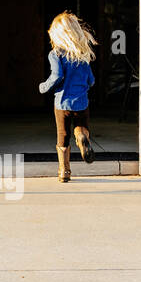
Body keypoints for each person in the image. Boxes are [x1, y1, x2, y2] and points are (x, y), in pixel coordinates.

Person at [38, 11, 96, 182]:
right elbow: (91, 80)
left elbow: (56, 76)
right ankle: (81, 137)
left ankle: (64, 171)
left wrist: (44, 87)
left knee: (62, 135)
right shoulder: (82, 54)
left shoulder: (55, 54)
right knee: (81, 126)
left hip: (62, 103)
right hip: (81, 102)